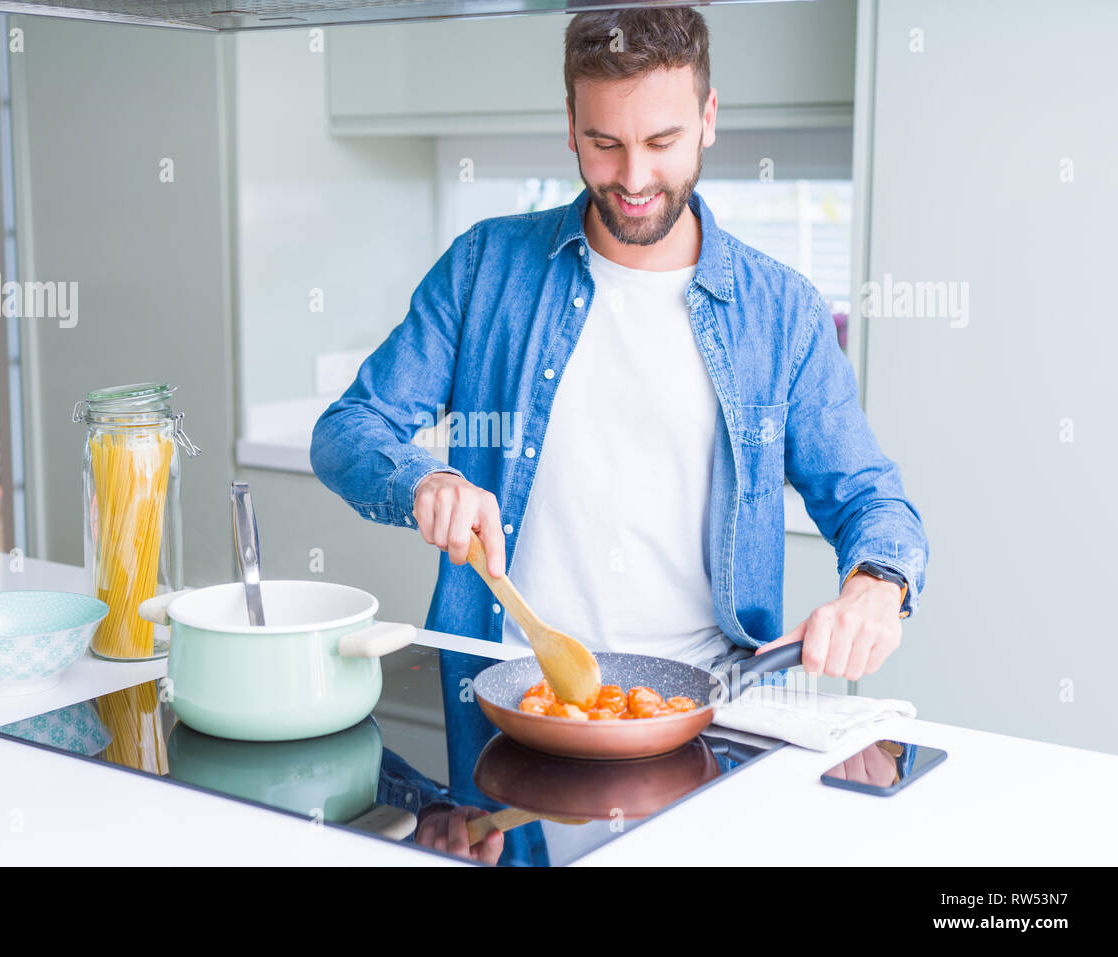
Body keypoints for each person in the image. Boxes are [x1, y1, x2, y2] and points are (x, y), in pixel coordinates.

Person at [311, 6, 929, 859]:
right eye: (605, 143)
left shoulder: (780, 312)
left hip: (708, 736)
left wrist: (877, 584)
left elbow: (869, 496)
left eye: (664, 140)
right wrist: (424, 480)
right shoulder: (486, 267)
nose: (635, 176)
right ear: (570, 125)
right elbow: (349, 426)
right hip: (510, 727)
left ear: (711, 117)